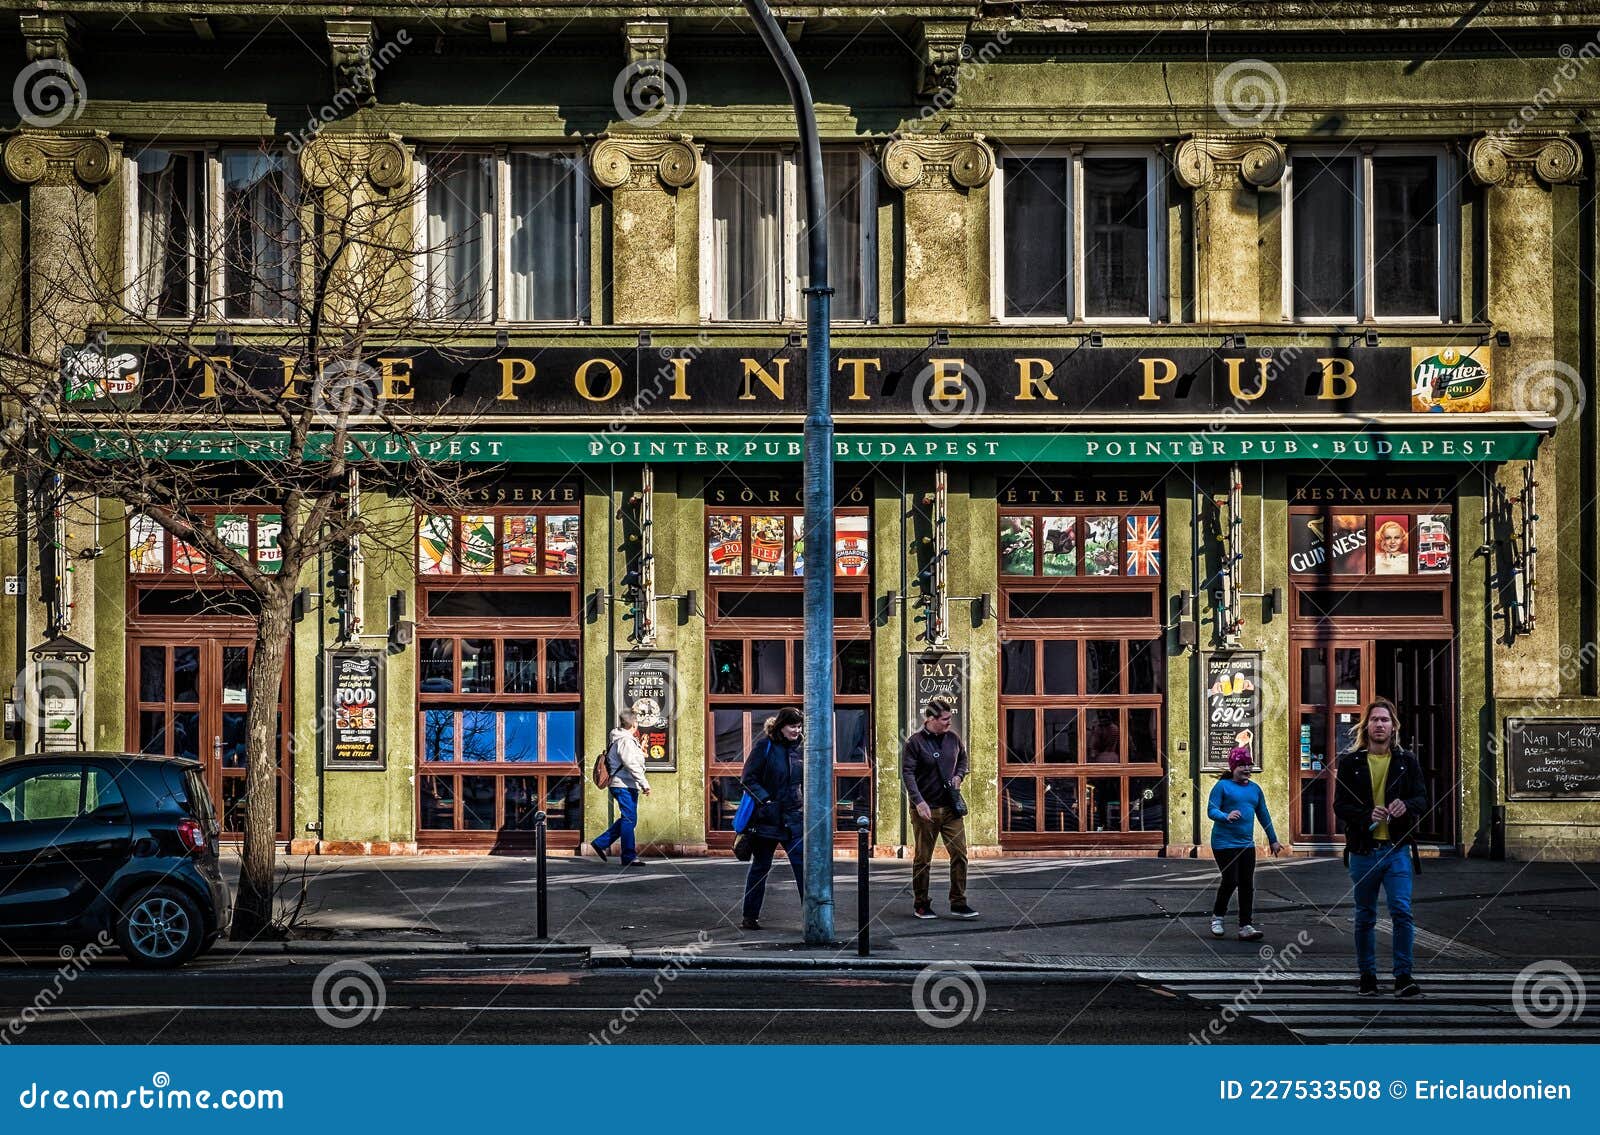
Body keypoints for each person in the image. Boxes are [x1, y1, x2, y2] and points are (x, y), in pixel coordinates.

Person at [1333, 696, 1428, 998]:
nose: (1379, 725)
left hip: (1397, 849)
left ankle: (1403, 976)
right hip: (1363, 850)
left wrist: (1406, 805)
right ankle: (1368, 976)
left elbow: (1422, 799)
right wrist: (1365, 816)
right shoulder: (1351, 763)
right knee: (1365, 916)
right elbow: (1340, 805)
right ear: (1366, 726)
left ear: (1393, 727)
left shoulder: (1406, 761)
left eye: (1385, 720)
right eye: (1374, 719)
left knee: (1402, 912)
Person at [902, 698, 976, 920]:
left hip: (951, 808)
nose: (949, 723)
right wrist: (918, 801)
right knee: (923, 858)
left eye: (950, 718)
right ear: (931, 719)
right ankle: (921, 903)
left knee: (960, 854)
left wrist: (959, 776)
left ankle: (958, 902)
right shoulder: (914, 743)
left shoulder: (953, 739)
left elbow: (963, 759)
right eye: (945, 719)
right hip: (926, 809)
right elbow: (908, 774)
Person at [738, 707, 805, 931]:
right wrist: (766, 801)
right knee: (761, 866)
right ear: (780, 726)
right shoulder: (765, 746)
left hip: (793, 816)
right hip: (767, 819)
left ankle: (812, 916)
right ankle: (750, 916)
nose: (797, 730)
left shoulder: (801, 748)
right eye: (792, 726)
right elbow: (748, 778)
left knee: (803, 866)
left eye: (799, 726)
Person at [1207, 746, 1283, 941]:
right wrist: (1226, 816)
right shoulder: (1222, 786)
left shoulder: (1255, 789)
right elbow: (1211, 811)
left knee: (1247, 884)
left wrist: (1273, 839)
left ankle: (1245, 926)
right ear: (1233, 767)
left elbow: (1263, 815)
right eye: (1242, 765)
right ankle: (1218, 917)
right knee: (1231, 880)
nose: (1247, 768)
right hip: (1223, 843)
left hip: (1246, 844)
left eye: (1249, 765)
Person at [590, 710, 651, 867]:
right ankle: (628, 856)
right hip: (623, 785)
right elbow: (631, 764)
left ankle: (600, 842)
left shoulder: (625, 739)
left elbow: (634, 759)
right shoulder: (625, 741)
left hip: (625, 784)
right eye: (637, 721)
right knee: (629, 819)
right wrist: (644, 784)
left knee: (628, 819)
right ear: (634, 723)